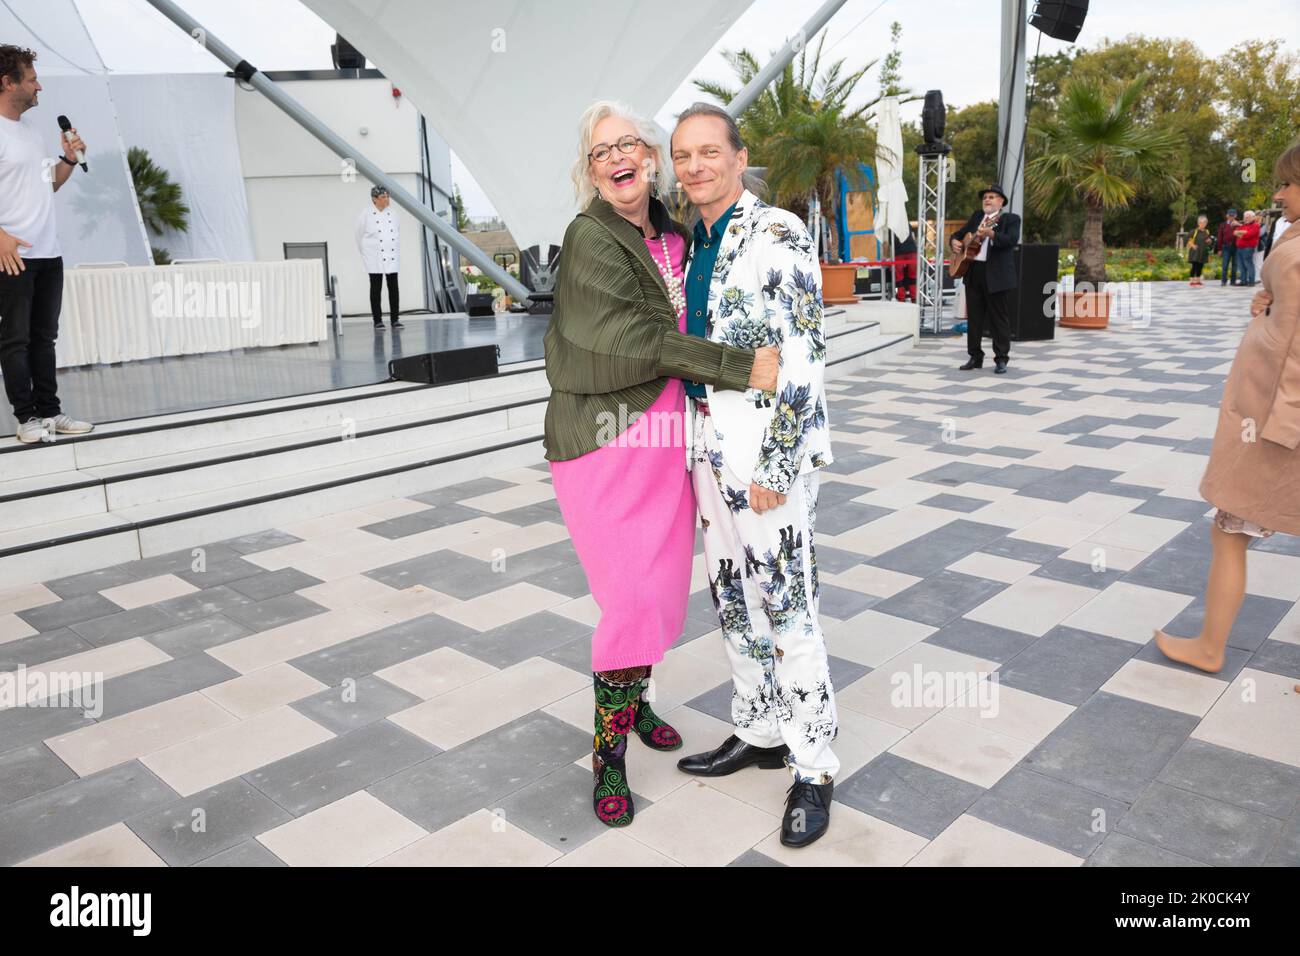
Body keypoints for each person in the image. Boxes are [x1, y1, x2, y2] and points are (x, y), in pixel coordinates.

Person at [543, 100, 779, 829]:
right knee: (632, 598)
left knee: (662, 590)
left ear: (649, 156)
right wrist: (744, 368)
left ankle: (638, 703)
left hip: (665, 435)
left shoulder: (672, 234)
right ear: (591, 172)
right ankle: (606, 755)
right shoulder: (589, 239)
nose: (617, 158)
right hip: (607, 441)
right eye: (599, 151)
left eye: (628, 145)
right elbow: (643, 339)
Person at [669, 102, 838, 848]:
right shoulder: (689, 242)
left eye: (710, 151)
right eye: (682, 156)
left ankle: (815, 765)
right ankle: (760, 729)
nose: (696, 166)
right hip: (706, 444)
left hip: (764, 448)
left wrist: (779, 460)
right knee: (732, 596)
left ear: (741, 158)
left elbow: (803, 352)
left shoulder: (778, 231)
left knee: (789, 604)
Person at [1154, 141, 1300, 672]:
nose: (1279, 192)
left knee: (1229, 527)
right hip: (1271, 413)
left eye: (1288, 182)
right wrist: (1269, 303)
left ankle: (1210, 647)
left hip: (1272, 420)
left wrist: (1282, 423)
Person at [0, 45, 92, 443]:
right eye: (32, 78)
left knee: (44, 338)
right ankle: (27, 419)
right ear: (8, 82)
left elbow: (47, 184)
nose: (40, 85)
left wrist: (68, 160)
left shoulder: (32, 132)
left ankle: (51, 413)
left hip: (48, 252)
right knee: (15, 340)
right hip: (14, 254)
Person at [950, 185, 1021, 374]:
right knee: (974, 319)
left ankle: (1001, 358)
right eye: (985, 198)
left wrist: (992, 234)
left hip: (997, 275)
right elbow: (958, 234)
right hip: (974, 273)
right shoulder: (976, 217)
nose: (987, 200)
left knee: (999, 319)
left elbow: (1011, 240)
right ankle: (975, 356)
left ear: (1001, 202)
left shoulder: (1009, 219)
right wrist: (955, 242)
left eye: (992, 197)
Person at [355, 185, 402, 330]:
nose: (386, 199)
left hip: (391, 255)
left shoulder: (393, 214)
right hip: (373, 255)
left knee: (393, 287)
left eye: (387, 196)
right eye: (383, 197)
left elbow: (397, 232)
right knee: (376, 287)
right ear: (374, 199)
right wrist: (366, 253)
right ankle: (377, 320)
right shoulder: (366, 214)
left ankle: (395, 319)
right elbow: (358, 235)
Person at [1234, 209, 1261, 287]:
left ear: (1253, 217)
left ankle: (1251, 281)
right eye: (1245, 217)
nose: (1246, 218)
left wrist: (1241, 233)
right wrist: (1242, 232)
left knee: (1248, 264)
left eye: (1248, 217)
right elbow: (1235, 233)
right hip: (1239, 247)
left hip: (1248, 248)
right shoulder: (1243, 225)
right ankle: (1243, 281)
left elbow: (1248, 235)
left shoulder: (1255, 225)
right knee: (1241, 265)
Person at [1186, 215, 1214, 287]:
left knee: (1200, 266)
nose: (1202, 224)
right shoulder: (1194, 231)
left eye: (1204, 223)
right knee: (1194, 266)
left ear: (1206, 223)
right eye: (1201, 223)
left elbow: (1209, 241)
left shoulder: (1207, 231)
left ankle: (1198, 281)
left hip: (1203, 252)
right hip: (1195, 252)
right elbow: (1187, 239)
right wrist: (1192, 245)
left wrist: (1209, 241)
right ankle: (1192, 281)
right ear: (1198, 223)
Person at [1215, 209, 1239, 286]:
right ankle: (1223, 281)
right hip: (1226, 247)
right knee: (1225, 265)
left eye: (1233, 215)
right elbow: (1219, 237)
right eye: (1230, 215)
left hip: (1236, 247)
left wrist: (1238, 225)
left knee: (1235, 265)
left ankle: (1233, 281)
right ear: (1227, 216)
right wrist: (1219, 249)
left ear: (1235, 216)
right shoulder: (1223, 225)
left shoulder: (1238, 224)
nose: (1231, 217)